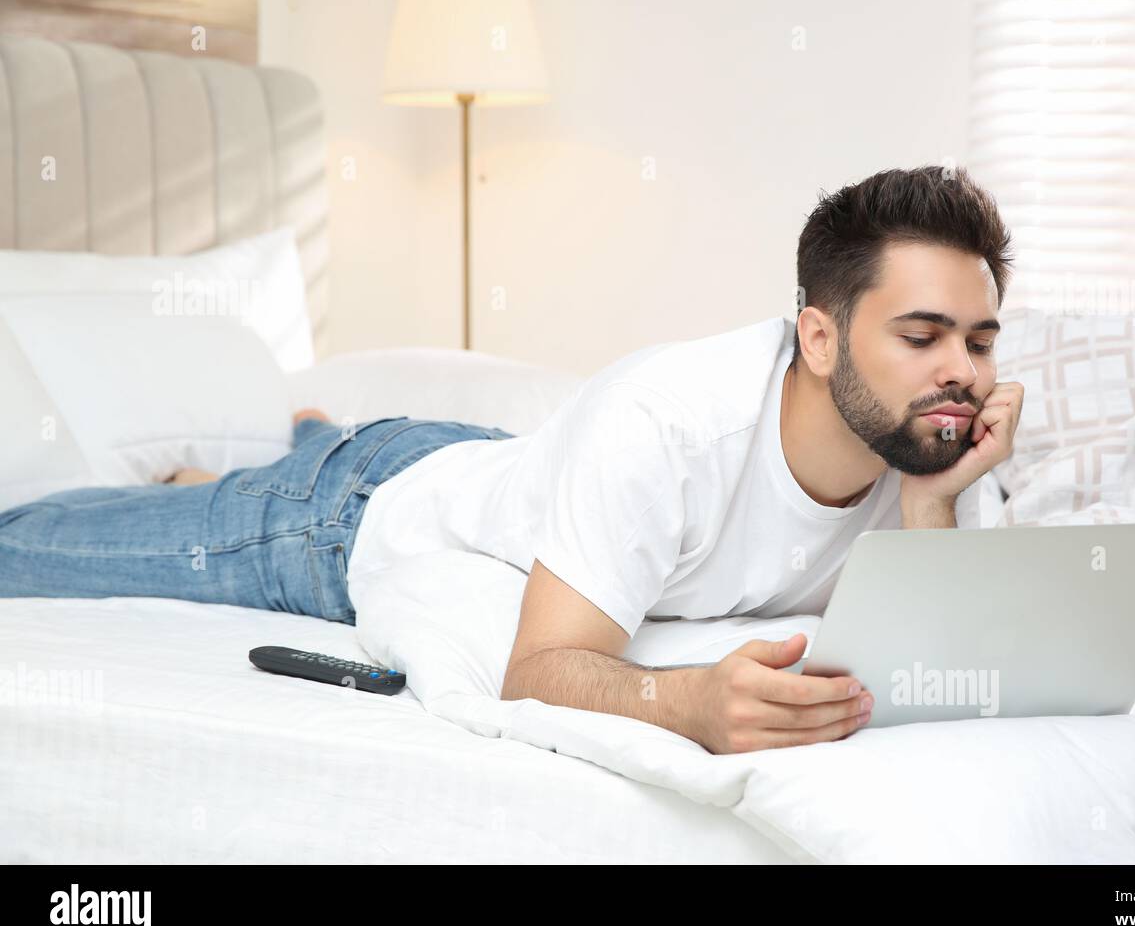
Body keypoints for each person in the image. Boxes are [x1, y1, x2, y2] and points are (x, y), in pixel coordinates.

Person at [0, 165, 1023, 755]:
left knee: (483, 467)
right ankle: (293, 460)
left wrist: (933, 503)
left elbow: (938, 668)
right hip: (346, 517)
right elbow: (536, 671)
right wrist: (691, 704)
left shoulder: (927, 447)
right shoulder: (669, 420)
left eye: (978, 342)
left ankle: (307, 431)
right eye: (922, 334)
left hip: (503, 469)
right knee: (26, 549)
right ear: (816, 337)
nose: (960, 373)